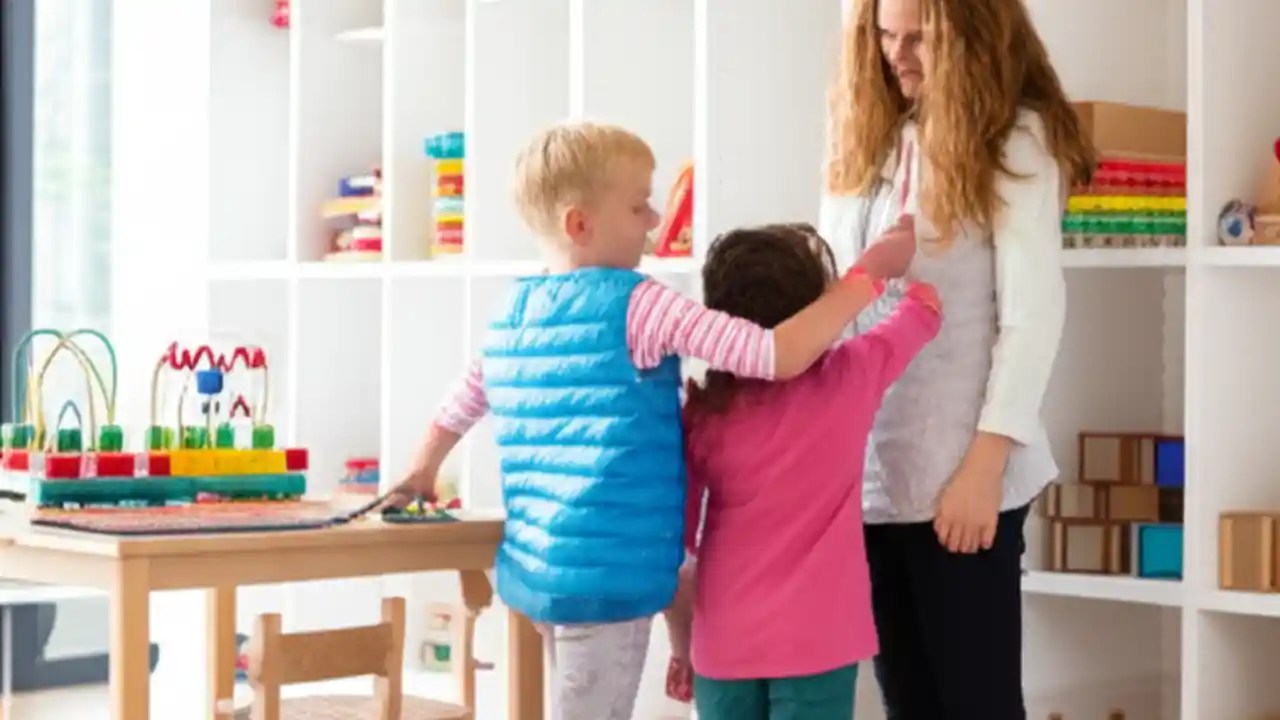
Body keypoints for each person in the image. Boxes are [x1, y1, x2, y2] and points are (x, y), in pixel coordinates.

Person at [390, 120, 917, 720]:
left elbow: (458, 404)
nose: (653, 222)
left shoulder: (512, 314)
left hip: (537, 573)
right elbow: (777, 354)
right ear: (579, 224)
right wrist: (869, 274)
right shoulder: (641, 305)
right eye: (639, 206)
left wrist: (420, 471)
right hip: (608, 578)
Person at [820, 0, 1096, 718]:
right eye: (884, 36)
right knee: (906, 701)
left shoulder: (1016, 141)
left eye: (921, 39)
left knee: (976, 703)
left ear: (973, 37)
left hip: (965, 475)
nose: (898, 55)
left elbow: (1033, 317)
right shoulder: (872, 143)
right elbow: (839, 300)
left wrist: (984, 466)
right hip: (876, 477)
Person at [665, 223, 941, 720]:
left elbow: (677, 550)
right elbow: (924, 311)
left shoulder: (701, 415)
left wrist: (681, 644)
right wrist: (905, 250)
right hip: (819, 639)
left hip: (723, 641)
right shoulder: (851, 376)